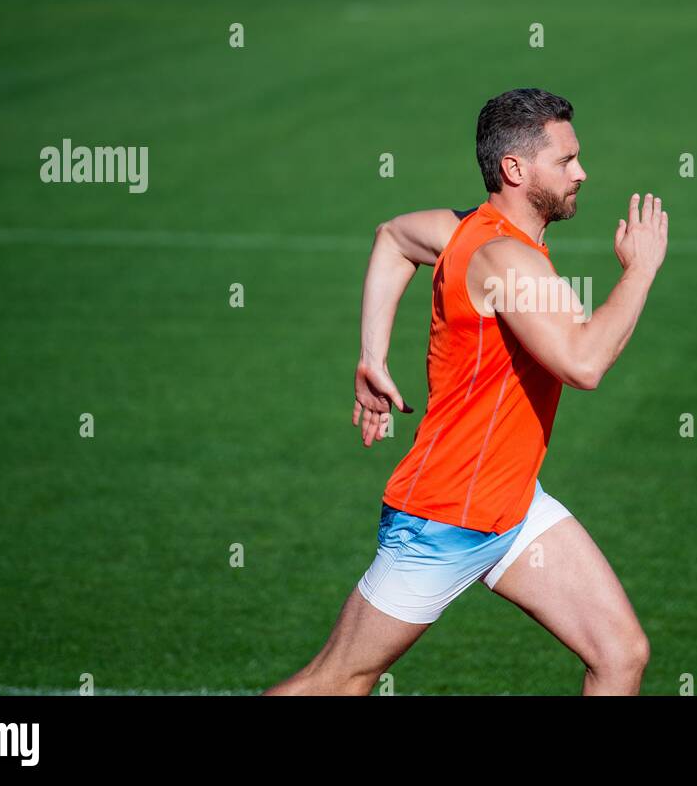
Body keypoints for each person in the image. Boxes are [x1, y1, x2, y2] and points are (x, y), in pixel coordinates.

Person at [263, 88, 668, 695]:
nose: (582, 172)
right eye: (565, 161)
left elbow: (393, 237)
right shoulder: (510, 262)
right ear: (515, 169)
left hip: (510, 505)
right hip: (447, 515)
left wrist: (372, 358)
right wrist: (639, 271)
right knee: (338, 681)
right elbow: (583, 363)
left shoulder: (463, 231)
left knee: (620, 653)